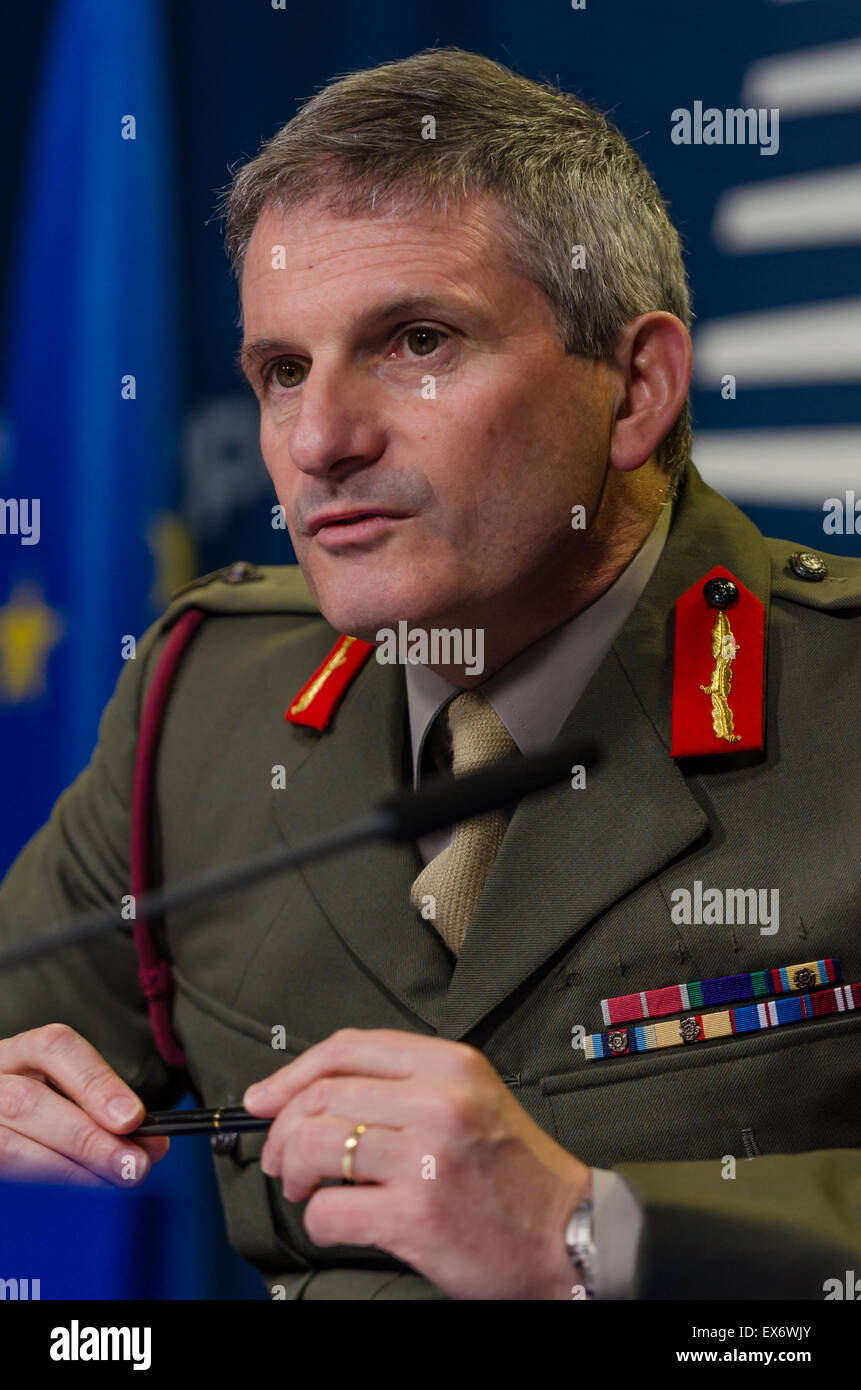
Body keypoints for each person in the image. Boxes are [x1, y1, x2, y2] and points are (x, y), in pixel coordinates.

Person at [0, 47, 858, 1301]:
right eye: (283, 370)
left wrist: (591, 1233)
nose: (319, 442)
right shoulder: (203, 706)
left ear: (637, 388)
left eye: (414, 341)